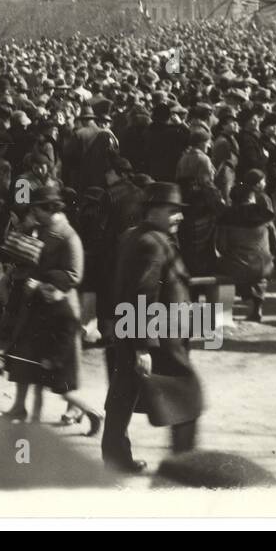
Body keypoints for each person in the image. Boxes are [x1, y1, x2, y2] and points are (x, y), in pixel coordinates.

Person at [101, 182, 203, 474]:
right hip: (158, 338)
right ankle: (182, 467)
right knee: (188, 399)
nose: (179, 217)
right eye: (173, 211)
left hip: (131, 330)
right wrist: (143, 346)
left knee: (123, 394)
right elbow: (143, 295)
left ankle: (116, 458)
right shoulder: (152, 243)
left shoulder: (136, 236)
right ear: (154, 211)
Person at [0, 183, 102, 434]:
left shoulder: (68, 236)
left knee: (58, 371)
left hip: (58, 307)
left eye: (37, 209)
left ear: (49, 209)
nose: (33, 214)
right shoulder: (40, 229)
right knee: (24, 359)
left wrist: (43, 279)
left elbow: (74, 275)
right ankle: (19, 407)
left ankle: (83, 409)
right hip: (35, 306)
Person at [215, 183, 276, 321]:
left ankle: (224, 313)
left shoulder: (227, 217)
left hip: (238, 266)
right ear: (252, 198)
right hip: (265, 265)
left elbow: (221, 246)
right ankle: (257, 308)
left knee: (220, 268)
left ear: (233, 200)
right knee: (257, 271)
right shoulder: (265, 215)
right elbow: (275, 243)